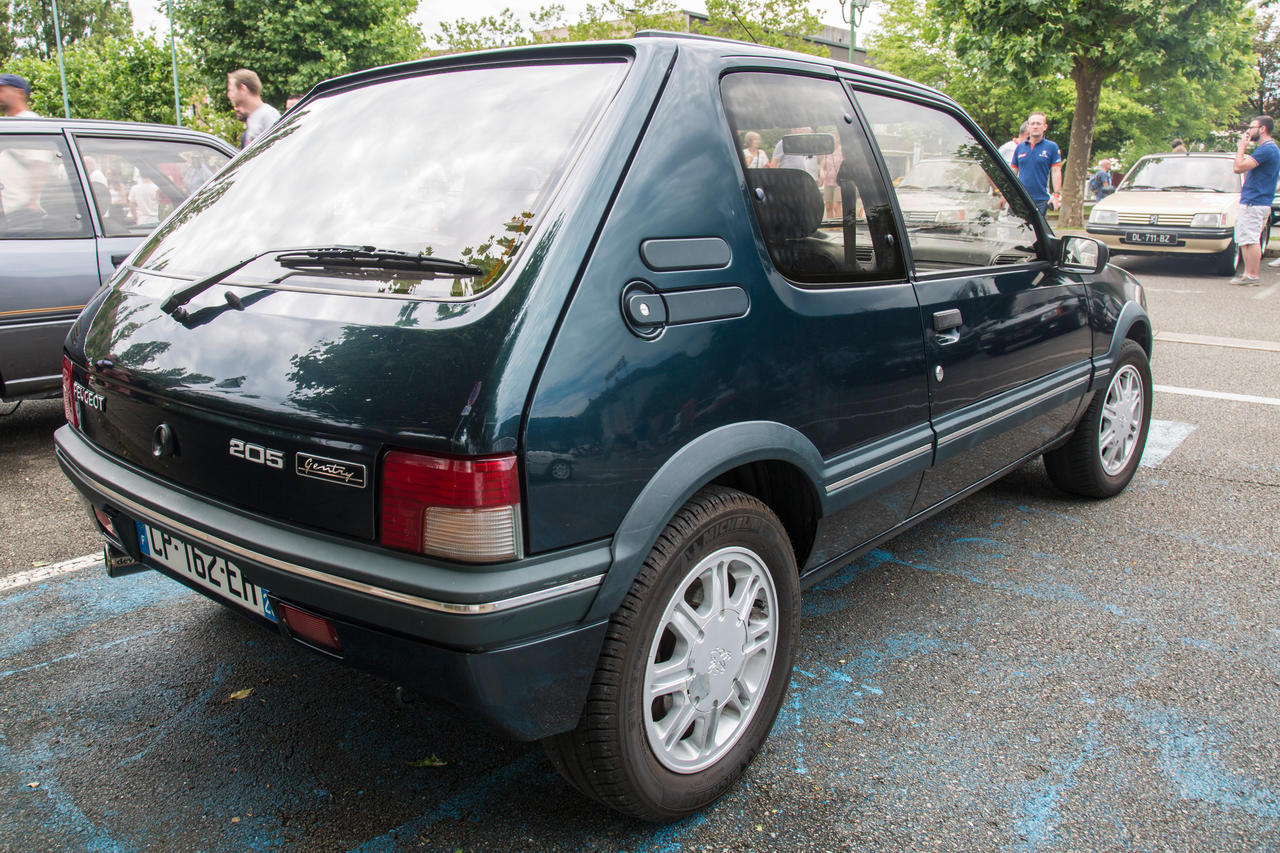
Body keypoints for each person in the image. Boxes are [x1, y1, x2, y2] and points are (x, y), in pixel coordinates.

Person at [1230, 116, 1279, 285]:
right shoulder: (1268, 149)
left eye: (1252, 127)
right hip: (1254, 199)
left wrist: (1241, 148)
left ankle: (1252, 275)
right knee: (1245, 238)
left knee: (1250, 239)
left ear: (1262, 129)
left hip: (1255, 201)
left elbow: (1238, 167)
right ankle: (1247, 274)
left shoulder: (1267, 149)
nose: (1249, 131)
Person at [1011, 111, 1062, 216]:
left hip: (1041, 199)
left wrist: (1056, 195)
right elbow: (1013, 172)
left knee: (1037, 226)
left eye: (1038, 124)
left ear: (1045, 127)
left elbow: (1056, 172)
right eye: (1032, 124)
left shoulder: (1052, 147)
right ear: (1028, 127)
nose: (1035, 126)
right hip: (1020, 198)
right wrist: (1006, 194)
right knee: (1016, 225)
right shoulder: (1020, 147)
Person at [226, 68, 281, 149]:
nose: (229, 95)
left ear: (243, 88)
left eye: (231, 90)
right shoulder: (253, 118)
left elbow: (278, 149)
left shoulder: (268, 115)